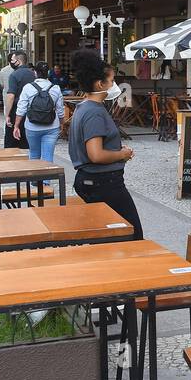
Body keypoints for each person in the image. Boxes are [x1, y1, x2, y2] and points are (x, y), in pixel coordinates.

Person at [68, 49, 141, 238]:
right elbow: (96, 154)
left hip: (94, 180)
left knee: (108, 236)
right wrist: (122, 154)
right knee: (132, 234)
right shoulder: (94, 112)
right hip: (103, 182)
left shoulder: (84, 107)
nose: (114, 85)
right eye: (112, 81)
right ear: (100, 84)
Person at [14, 61, 65, 161]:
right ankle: (47, 176)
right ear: (49, 73)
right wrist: (62, 124)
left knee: (33, 154)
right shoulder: (56, 88)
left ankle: (34, 176)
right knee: (48, 158)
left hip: (32, 127)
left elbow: (21, 109)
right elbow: (60, 110)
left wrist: (16, 126)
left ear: (35, 73)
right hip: (52, 127)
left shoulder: (28, 88)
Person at [3, 50, 34, 148]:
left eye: (12, 60)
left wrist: (7, 114)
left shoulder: (14, 75)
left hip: (16, 111)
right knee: (27, 143)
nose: (10, 62)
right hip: (31, 111)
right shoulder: (33, 74)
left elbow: (11, 96)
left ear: (18, 61)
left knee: (11, 143)